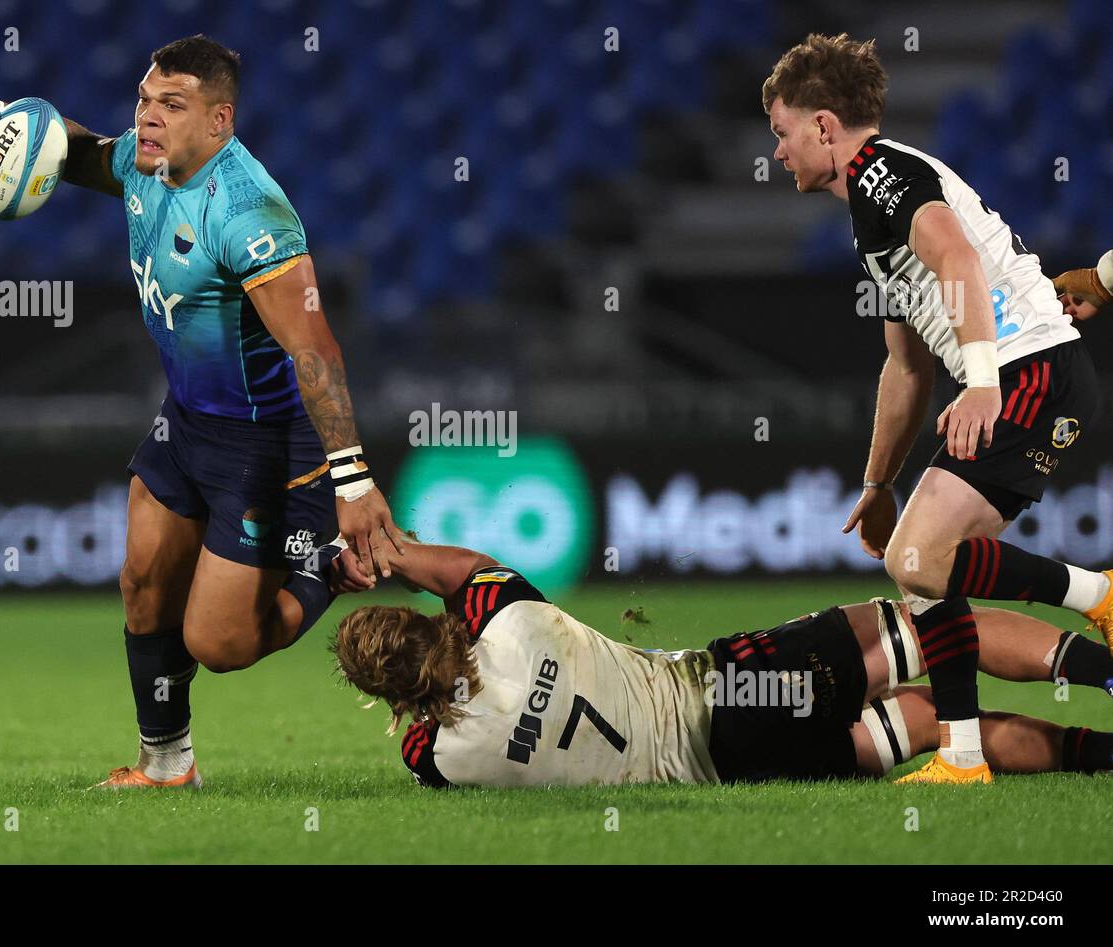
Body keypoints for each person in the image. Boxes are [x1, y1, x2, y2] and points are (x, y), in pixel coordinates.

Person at [0, 35, 403, 789]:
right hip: (187, 420)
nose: (148, 118)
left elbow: (314, 349)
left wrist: (352, 484)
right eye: (145, 99)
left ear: (220, 121)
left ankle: (320, 562)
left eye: (173, 105)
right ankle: (166, 767)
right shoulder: (142, 162)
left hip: (271, 447)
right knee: (141, 579)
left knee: (217, 643)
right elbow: (64, 148)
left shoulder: (250, 213)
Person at [762, 33, 1107, 783]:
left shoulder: (883, 172)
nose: (779, 152)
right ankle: (962, 754)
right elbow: (906, 364)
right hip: (1031, 372)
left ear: (824, 126)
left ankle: (1101, 595)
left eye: (783, 133)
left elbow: (957, 256)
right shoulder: (868, 211)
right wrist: (878, 483)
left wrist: (982, 381)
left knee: (921, 557)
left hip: (1028, 372)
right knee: (919, 568)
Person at [329, 537, 1113, 787]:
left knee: (919, 725)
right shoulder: (514, 622)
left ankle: (1102, 755)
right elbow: (464, 570)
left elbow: (421, 730)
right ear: (421, 621)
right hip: (733, 689)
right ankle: (1100, 669)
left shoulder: (438, 759)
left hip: (736, 769)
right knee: (922, 624)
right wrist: (384, 552)